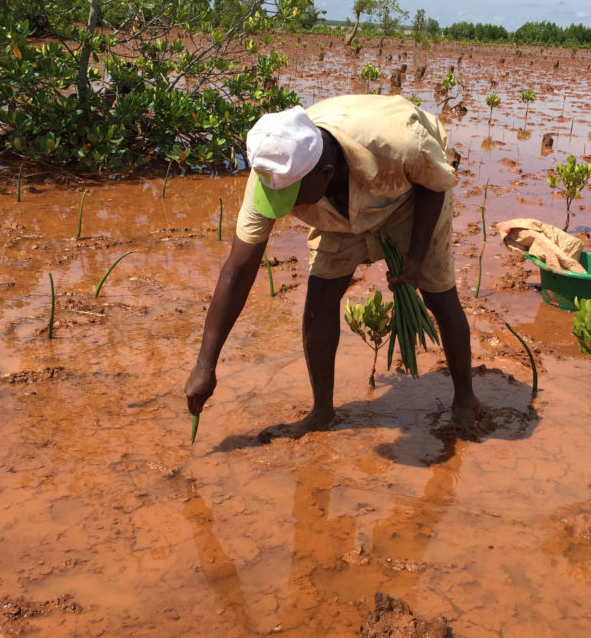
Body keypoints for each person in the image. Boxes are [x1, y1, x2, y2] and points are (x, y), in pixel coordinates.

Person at [184, 94, 480, 438]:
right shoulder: (274, 169)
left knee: (439, 296)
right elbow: (238, 271)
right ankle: (321, 412)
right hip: (338, 212)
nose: (285, 208)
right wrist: (205, 365)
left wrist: (416, 256)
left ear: (325, 174)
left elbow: (435, 184)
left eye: (292, 198)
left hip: (409, 194)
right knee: (321, 295)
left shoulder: (401, 144)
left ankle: (465, 397)